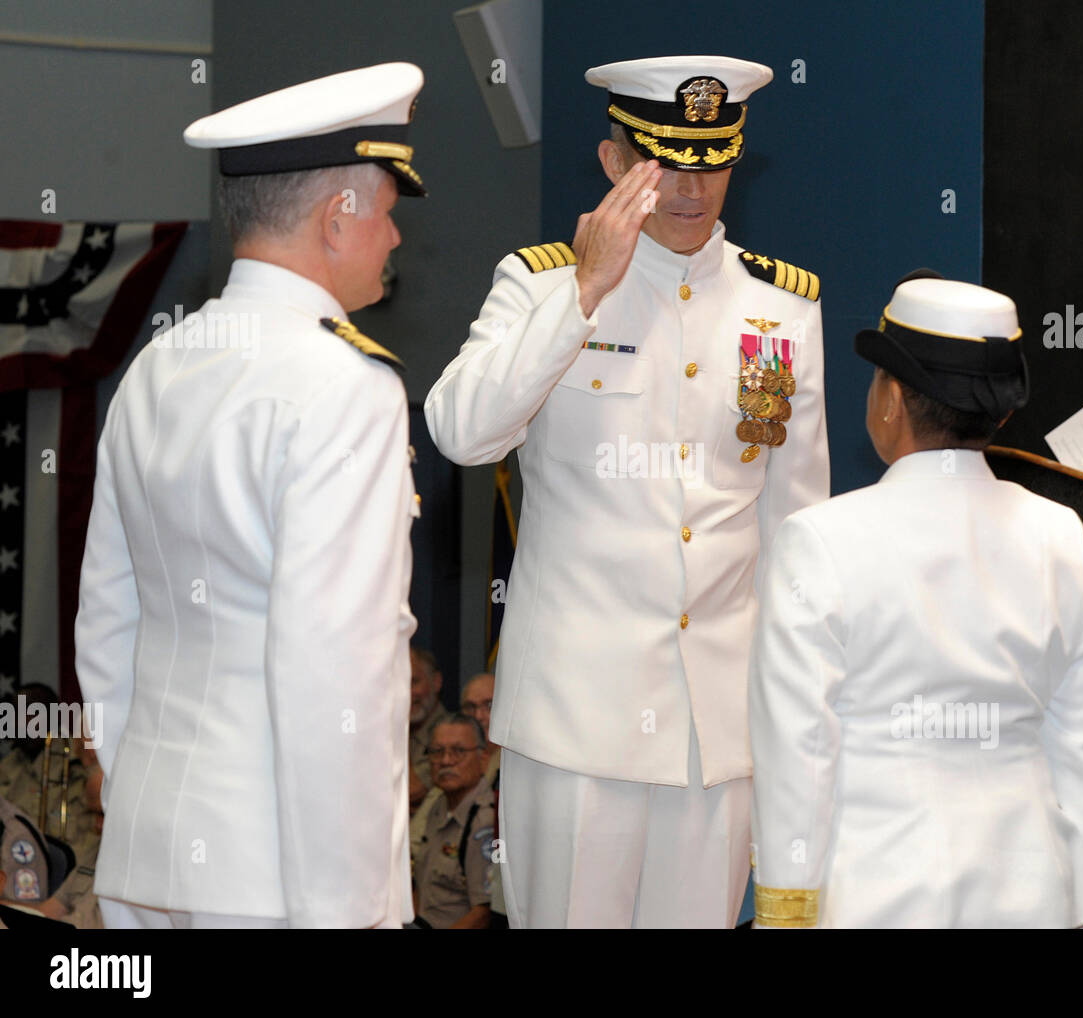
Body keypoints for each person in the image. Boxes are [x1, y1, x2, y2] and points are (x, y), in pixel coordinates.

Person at [425, 55, 829, 928]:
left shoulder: (783, 307)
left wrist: (797, 708)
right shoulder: (540, 283)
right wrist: (583, 290)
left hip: (715, 728)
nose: (692, 188)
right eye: (666, 164)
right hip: (577, 721)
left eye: (713, 163)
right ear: (614, 164)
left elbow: (797, 525)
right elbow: (461, 431)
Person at [74, 63, 427, 929]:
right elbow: (332, 670)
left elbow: (107, 621)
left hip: (151, 857)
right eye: (384, 212)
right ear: (336, 217)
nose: (393, 239)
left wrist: (134, 800)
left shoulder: (156, 366)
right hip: (281, 881)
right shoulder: (346, 386)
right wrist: (344, 909)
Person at [749, 273, 1083, 928]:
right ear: (1002, 412)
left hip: (875, 898)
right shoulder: (1058, 535)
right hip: (1034, 896)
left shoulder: (820, 540)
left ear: (892, 399)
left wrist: (786, 911)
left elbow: (797, 754)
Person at [411, 716, 497, 929]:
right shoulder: (438, 804)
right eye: (437, 751)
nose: (446, 760)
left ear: (483, 758)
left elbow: (484, 914)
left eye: (458, 751)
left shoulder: (484, 820)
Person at [409, 646, 450, 811]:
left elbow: (410, 790)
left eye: (413, 682)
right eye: (398, 683)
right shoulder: (391, 734)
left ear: (436, 682)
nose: (406, 693)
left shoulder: (452, 733)